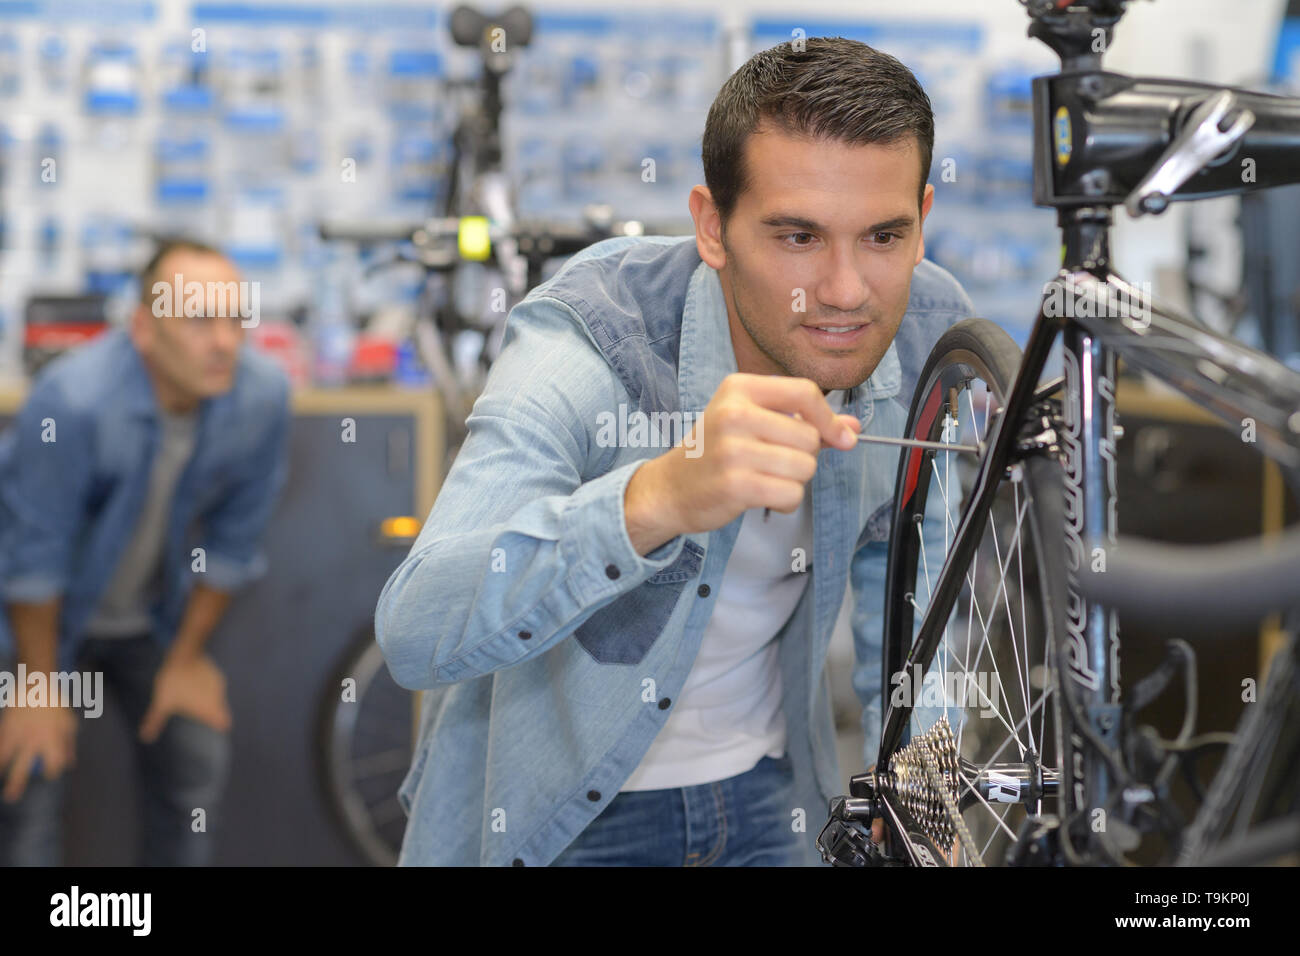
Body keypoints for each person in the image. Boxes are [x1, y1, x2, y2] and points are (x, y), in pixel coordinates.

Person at [375, 36, 974, 866]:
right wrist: (655, 499)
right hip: (562, 813)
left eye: (882, 236)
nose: (843, 290)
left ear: (922, 225)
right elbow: (417, 627)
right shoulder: (591, 342)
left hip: (772, 794)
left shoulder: (930, 333)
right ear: (712, 227)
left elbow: (916, 586)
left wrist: (922, 795)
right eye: (798, 236)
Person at [0, 238, 291, 865]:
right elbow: (33, 559)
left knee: (194, 752)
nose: (224, 343)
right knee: (30, 767)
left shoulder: (261, 398)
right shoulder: (71, 403)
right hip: (32, 625)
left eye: (235, 320)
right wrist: (36, 687)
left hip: (148, 623)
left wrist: (186, 658)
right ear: (143, 328)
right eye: (199, 321)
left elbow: (234, 542)